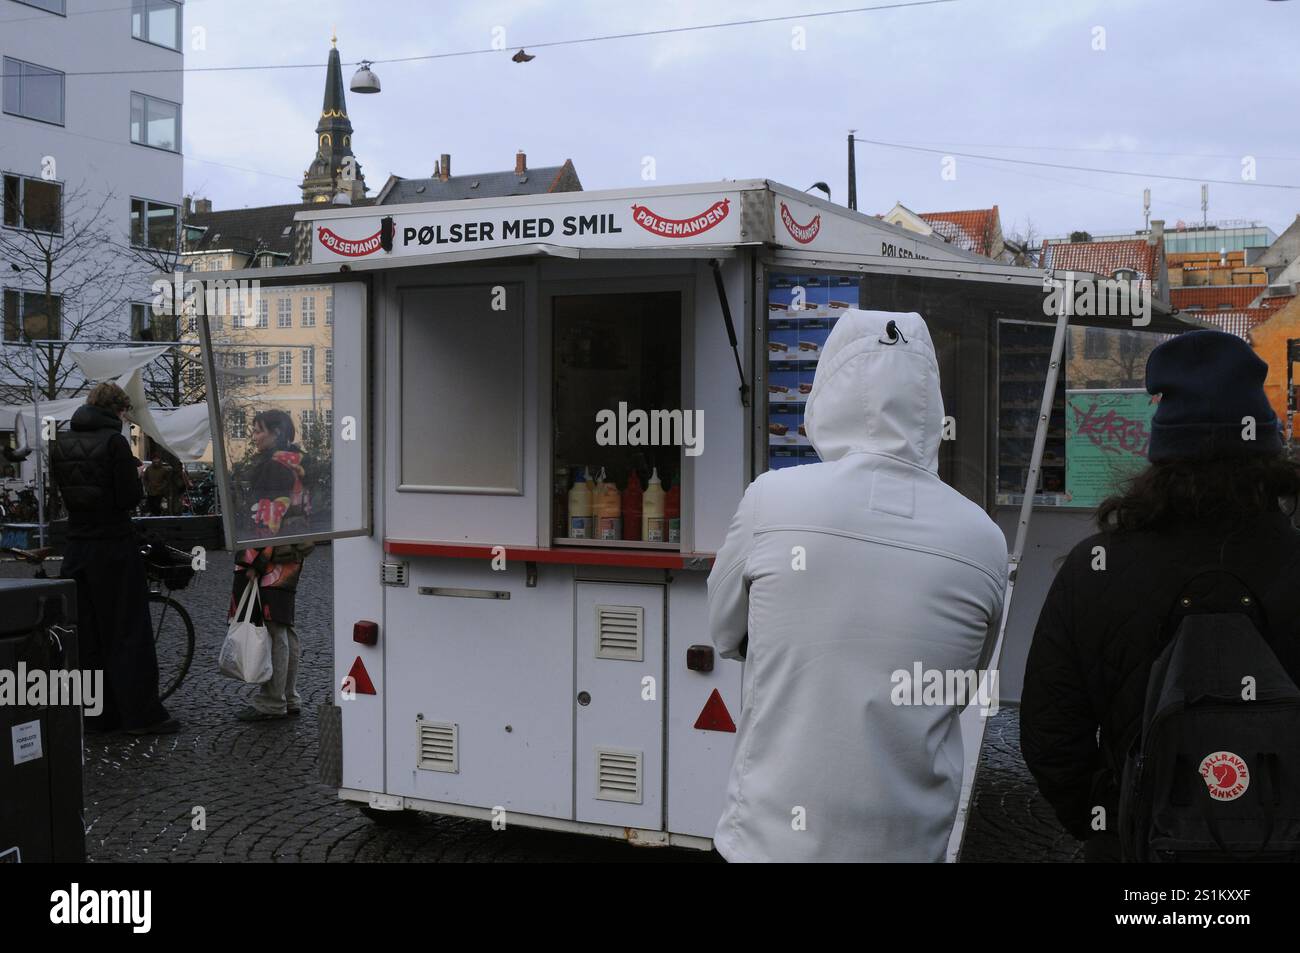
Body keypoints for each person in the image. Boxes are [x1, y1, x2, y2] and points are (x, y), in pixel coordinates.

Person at [707, 310, 1008, 862]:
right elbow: (962, 682)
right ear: (930, 406)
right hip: (910, 843)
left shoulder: (772, 500)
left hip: (771, 841)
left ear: (827, 393)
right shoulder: (984, 538)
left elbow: (724, 632)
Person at [1020, 330, 1300, 862]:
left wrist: (1110, 820)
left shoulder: (1095, 568)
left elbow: (1050, 730)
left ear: (1162, 451)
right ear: (1267, 446)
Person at [49, 382, 179, 735]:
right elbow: (127, 497)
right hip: (113, 546)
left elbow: (64, 492)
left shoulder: (61, 442)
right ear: (117, 410)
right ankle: (140, 715)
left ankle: (96, 716)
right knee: (127, 631)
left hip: (77, 545)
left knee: (87, 635)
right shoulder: (114, 442)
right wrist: (135, 476)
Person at [229, 409, 315, 722]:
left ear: (276, 432)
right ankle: (289, 696)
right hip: (291, 554)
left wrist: (255, 560)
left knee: (273, 627)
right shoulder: (295, 463)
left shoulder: (272, 468)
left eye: (258, 430)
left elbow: (266, 519)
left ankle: (272, 700)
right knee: (284, 625)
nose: (254, 435)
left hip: (271, 556)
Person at [141, 450, 172, 516]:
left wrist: (162, 487)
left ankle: (158, 518)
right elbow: (145, 479)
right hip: (150, 491)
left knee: (157, 506)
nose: (156, 460)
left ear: (160, 460)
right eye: (154, 459)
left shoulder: (163, 469)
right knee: (151, 506)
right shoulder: (148, 469)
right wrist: (147, 487)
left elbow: (167, 480)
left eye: (157, 459)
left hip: (159, 492)